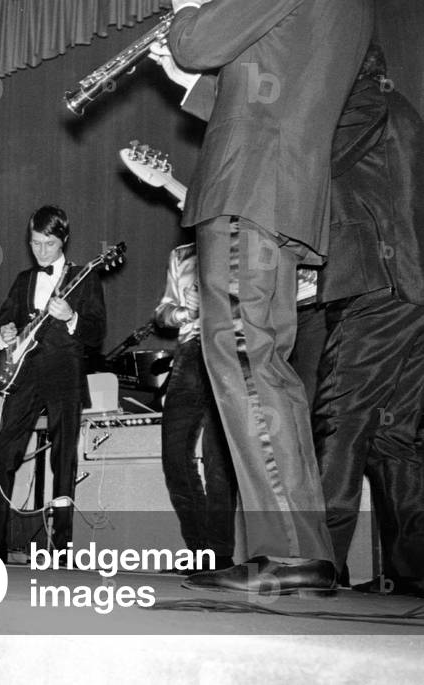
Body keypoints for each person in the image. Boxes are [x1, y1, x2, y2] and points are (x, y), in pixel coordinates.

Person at [149, 0, 373, 594]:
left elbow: (195, 40)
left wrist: (187, 9)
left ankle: (290, 551)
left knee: (246, 361)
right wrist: (192, 83)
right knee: (264, 366)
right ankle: (300, 550)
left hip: (248, 187)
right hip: (276, 185)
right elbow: (275, 89)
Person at [313, 44, 424, 597]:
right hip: (413, 293)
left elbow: (309, 158)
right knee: (395, 439)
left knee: (340, 419)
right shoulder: (400, 105)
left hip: (378, 289)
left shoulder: (361, 99)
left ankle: (318, 566)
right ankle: (411, 573)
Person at [0, 205, 106, 562]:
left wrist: (72, 318)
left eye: (48, 244)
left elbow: (96, 333)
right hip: (25, 376)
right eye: (35, 243)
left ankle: (63, 547)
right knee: (3, 451)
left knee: (63, 460)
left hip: (65, 373)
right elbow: (2, 320)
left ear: (63, 239)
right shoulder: (23, 280)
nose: (41, 251)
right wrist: (3, 332)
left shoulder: (85, 277)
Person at [154, 243, 236, 572]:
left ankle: (218, 554)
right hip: (189, 352)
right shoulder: (181, 255)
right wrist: (183, 313)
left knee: (218, 459)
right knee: (174, 455)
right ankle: (200, 551)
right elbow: (162, 312)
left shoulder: (240, 244)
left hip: (229, 347)